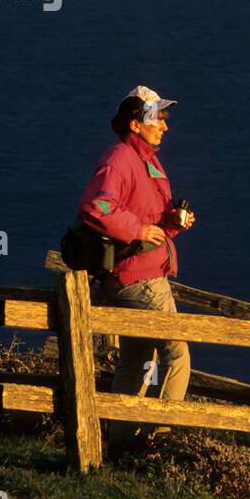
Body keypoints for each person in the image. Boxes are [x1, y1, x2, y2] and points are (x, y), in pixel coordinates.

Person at [74, 85, 197, 455]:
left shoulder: (147, 161)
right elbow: (96, 207)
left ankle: (123, 441)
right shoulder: (121, 159)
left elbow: (149, 221)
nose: (164, 125)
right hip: (138, 278)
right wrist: (139, 230)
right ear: (135, 123)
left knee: (137, 358)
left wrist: (172, 221)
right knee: (177, 354)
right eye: (157, 117)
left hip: (140, 272)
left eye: (163, 117)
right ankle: (160, 438)